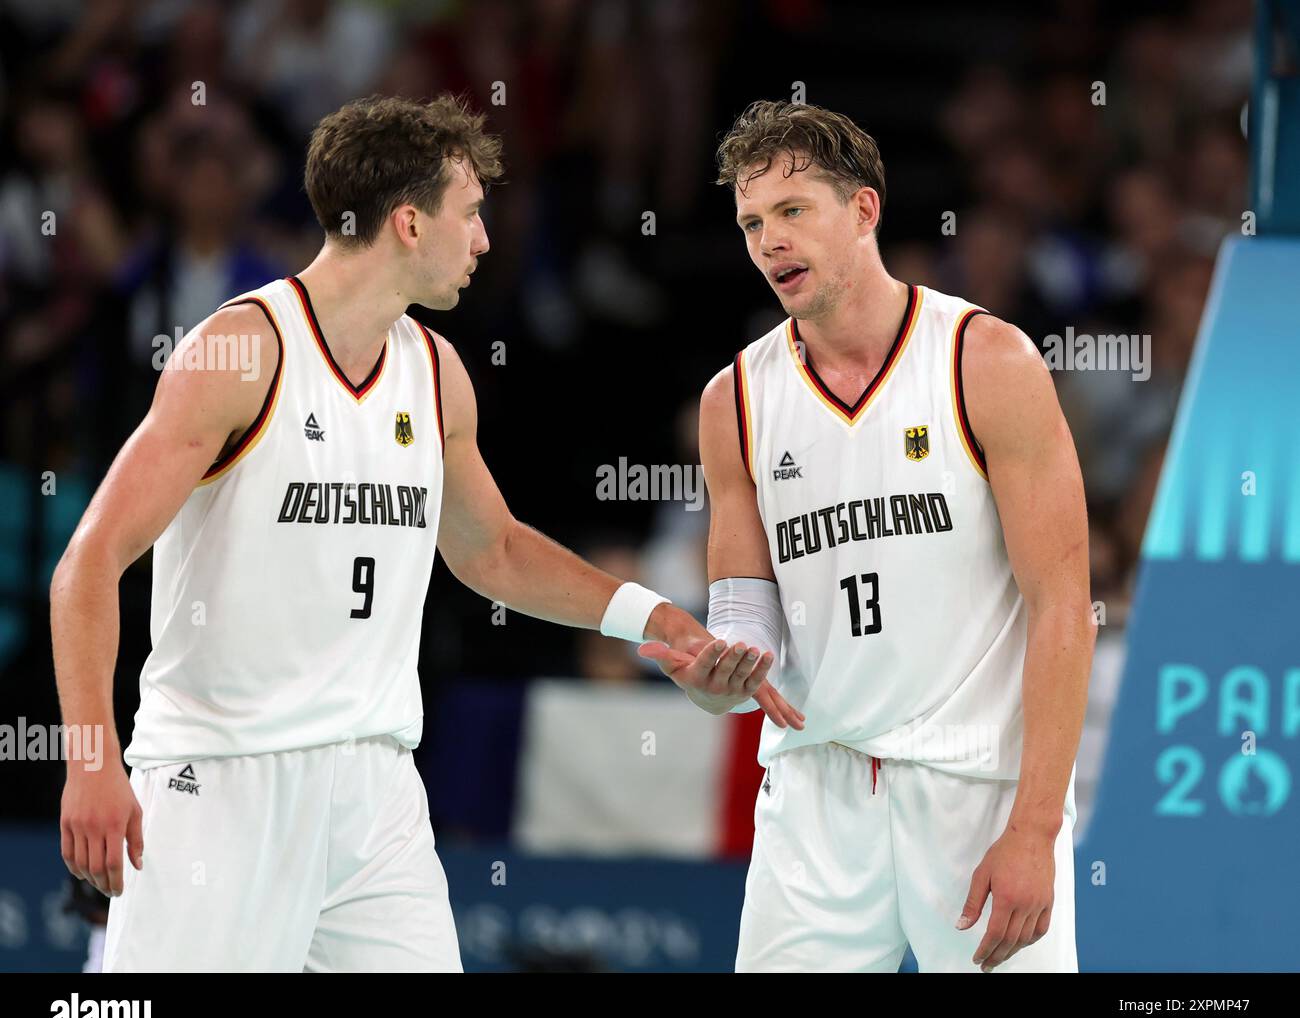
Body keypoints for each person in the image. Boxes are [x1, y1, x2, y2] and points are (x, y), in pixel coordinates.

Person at [49, 93, 803, 973]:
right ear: (408, 222)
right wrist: (92, 761)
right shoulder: (241, 352)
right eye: (470, 213)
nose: (484, 239)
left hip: (375, 790)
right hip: (223, 777)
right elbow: (89, 561)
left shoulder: (436, 372)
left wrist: (653, 617)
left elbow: (493, 550)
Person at [644, 101, 1093, 972]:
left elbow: (1064, 609)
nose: (767, 240)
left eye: (791, 211)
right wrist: (715, 675)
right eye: (749, 223)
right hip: (816, 796)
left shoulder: (984, 360)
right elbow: (746, 627)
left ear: (863, 210)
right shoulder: (731, 402)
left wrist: (1036, 826)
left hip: (975, 789)